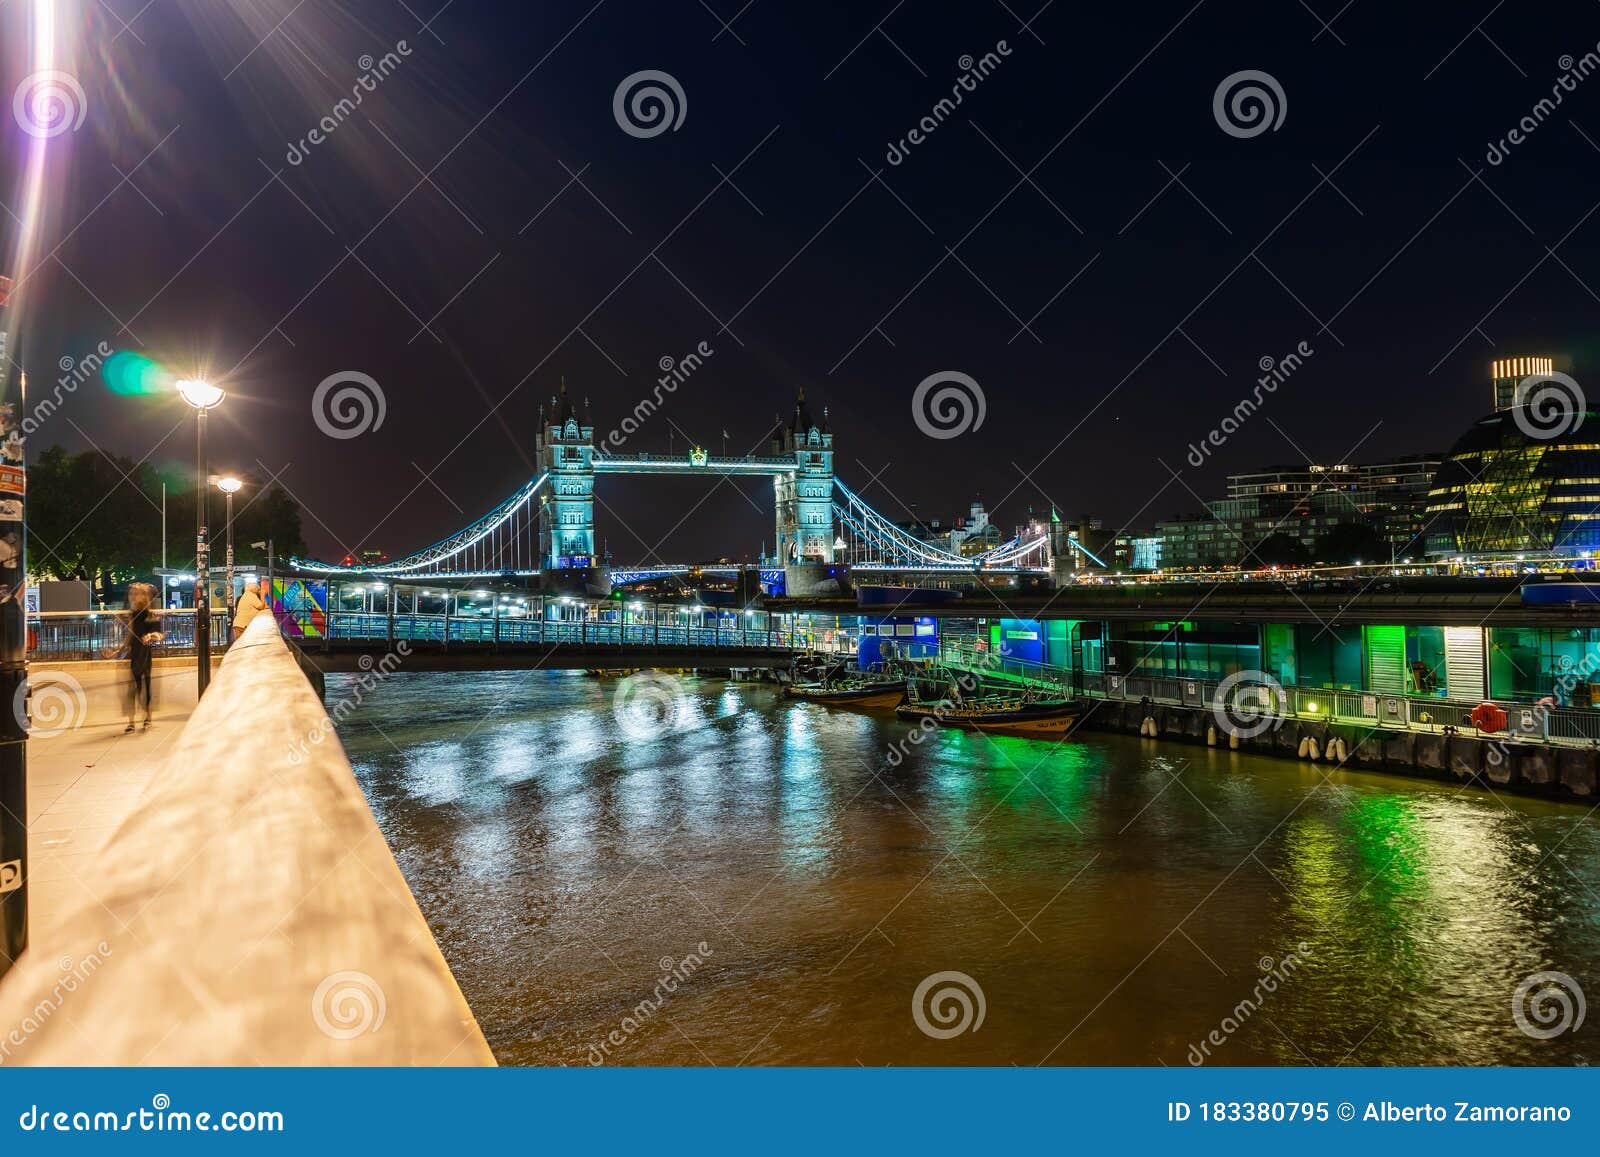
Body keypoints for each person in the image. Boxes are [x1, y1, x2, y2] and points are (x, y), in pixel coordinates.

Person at [118, 582, 162, 732]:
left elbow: (158, 634)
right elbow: (130, 635)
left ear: (144, 596)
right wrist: (119, 649)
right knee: (132, 688)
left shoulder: (151, 615)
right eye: (132, 594)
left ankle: (147, 718)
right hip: (133, 654)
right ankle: (131, 722)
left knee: (146, 686)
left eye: (136, 594)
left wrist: (151, 636)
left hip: (145, 653)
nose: (133, 597)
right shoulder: (131, 615)